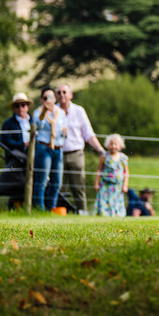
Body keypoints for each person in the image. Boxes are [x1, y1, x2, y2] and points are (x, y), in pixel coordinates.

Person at [56, 83, 106, 215]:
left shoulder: (79, 111)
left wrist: (100, 150)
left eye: (64, 92)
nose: (62, 95)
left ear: (70, 95)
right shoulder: (53, 112)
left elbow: (88, 134)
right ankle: (58, 212)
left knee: (78, 186)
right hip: (57, 153)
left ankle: (82, 212)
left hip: (76, 154)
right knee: (58, 186)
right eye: (59, 92)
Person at [32, 87, 68, 211]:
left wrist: (64, 132)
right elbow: (38, 125)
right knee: (41, 181)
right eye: (46, 97)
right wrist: (44, 112)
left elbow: (63, 128)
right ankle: (39, 209)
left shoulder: (60, 112)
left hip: (58, 149)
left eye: (51, 97)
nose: (49, 100)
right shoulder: (38, 112)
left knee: (57, 182)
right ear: (42, 99)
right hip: (44, 148)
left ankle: (51, 207)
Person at [94, 134, 129, 216]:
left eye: (115, 144)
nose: (113, 146)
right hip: (105, 185)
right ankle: (104, 215)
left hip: (117, 186)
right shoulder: (104, 156)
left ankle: (117, 215)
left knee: (116, 201)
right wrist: (96, 183)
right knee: (104, 201)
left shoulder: (123, 157)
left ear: (120, 146)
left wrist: (125, 185)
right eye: (111, 144)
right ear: (107, 145)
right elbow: (99, 169)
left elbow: (126, 172)